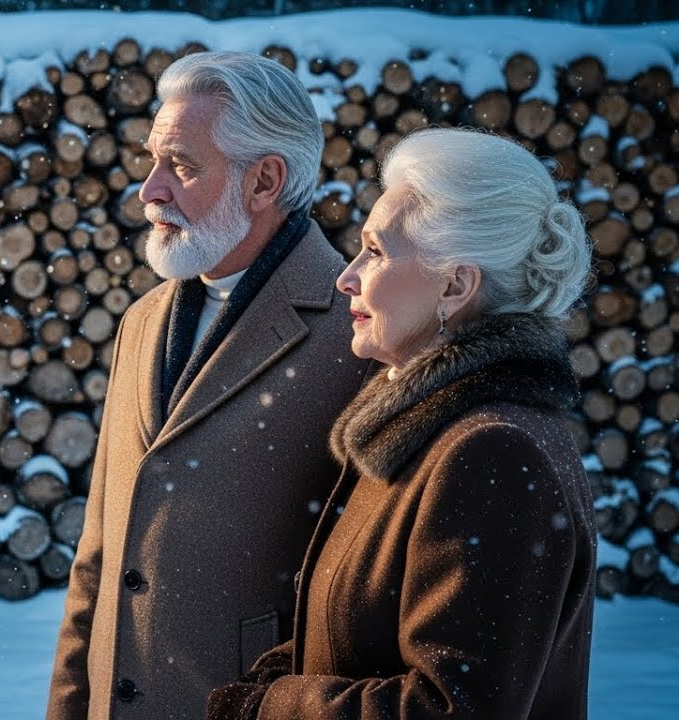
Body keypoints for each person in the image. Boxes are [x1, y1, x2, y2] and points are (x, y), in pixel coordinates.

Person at [207, 128, 596, 719]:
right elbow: (367, 634)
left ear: (456, 284)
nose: (348, 275)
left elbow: (449, 708)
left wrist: (273, 707)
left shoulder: (491, 451)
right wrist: (284, 669)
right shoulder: (431, 429)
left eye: (377, 252)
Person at [47, 51, 370, 719]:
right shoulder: (142, 321)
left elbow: (364, 596)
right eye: (152, 161)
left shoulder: (356, 337)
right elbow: (100, 562)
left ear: (266, 181)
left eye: (182, 166)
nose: (150, 190)